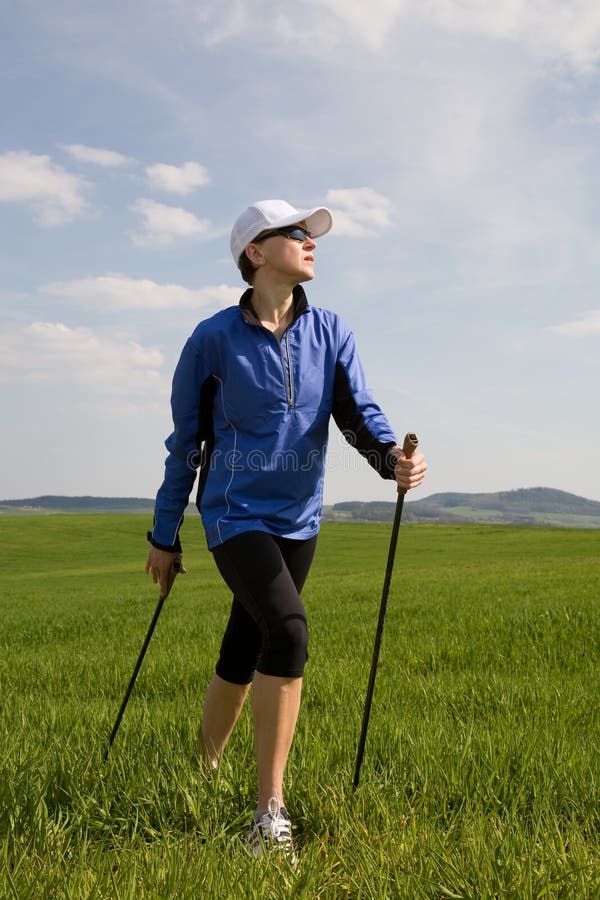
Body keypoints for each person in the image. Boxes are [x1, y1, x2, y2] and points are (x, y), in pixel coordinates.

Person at [145, 199, 427, 859]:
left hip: (300, 519)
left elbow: (357, 412)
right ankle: (268, 814)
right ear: (255, 252)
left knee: (246, 641)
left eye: (310, 233)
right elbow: (187, 444)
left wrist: (391, 458)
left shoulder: (331, 331)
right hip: (234, 513)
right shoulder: (212, 339)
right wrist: (164, 534)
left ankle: (202, 771)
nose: (310, 241)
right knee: (289, 629)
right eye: (296, 233)